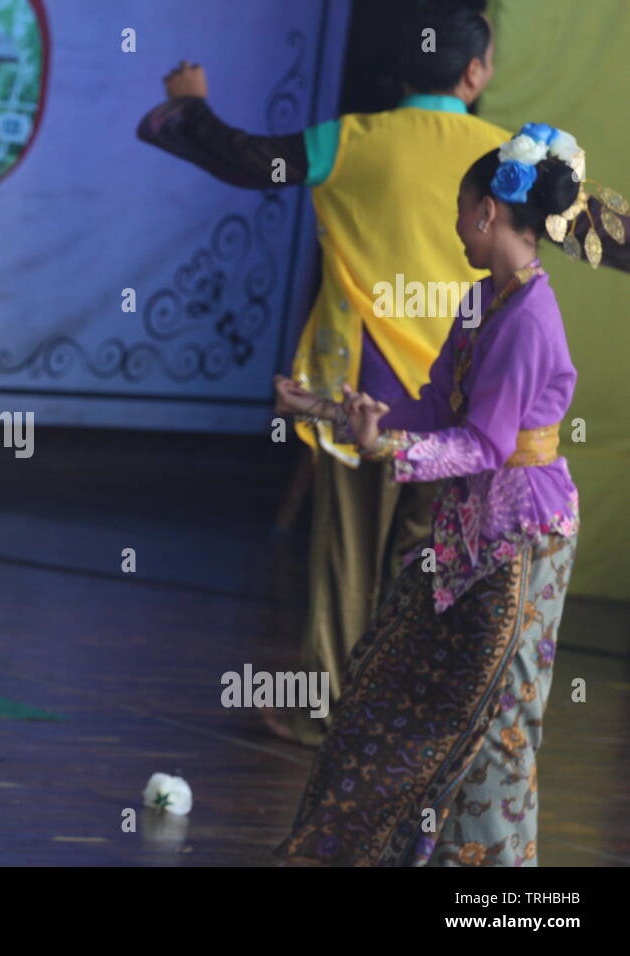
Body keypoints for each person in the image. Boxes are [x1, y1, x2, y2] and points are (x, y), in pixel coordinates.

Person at [137, 1, 626, 745]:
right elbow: (600, 232)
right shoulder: (507, 162)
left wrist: (190, 107)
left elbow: (246, 158)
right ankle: (408, 708)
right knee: (430, 564)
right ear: (474, 71)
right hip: (460, 402)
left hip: (365, 388)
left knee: (346, 559)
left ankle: (326, 707)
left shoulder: (351, 138)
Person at [271, 124, 625, 865]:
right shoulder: (479, 302)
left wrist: (387, 448)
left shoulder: (530, 320)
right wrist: (337, 413)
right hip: (467, 537)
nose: (457, 225)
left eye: (461, 210)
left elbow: (487, 446)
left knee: (497, 729)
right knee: (386, 689)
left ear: (488, 213)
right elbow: (435, 411)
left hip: (524, 540)